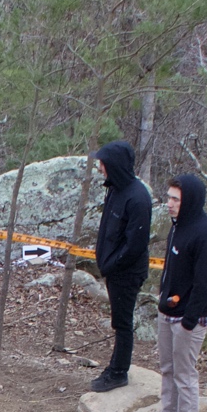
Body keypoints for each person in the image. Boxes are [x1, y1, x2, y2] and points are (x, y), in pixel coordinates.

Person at [137, 172, 207, 412]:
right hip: (168, 310)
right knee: (168, 367)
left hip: (190, 316)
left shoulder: (205, 234)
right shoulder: (177, 226)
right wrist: (164, 300)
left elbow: (205, 284)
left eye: (176, 199)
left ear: (190, 201)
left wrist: (189, 320)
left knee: (185, 374)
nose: (169, 204)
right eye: (169, 197)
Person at [87, 141, 156, 393]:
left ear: (114, 165)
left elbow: (135, 245)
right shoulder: (115, 189)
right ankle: (115, 366)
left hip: (126, 272)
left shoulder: (138, 198)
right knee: (119, 321)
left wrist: (112, 265)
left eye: (103, 163)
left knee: (123, 323)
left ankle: (119, 372)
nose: (100, 168)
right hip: (114, 269)